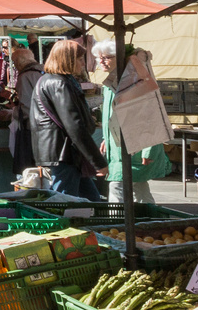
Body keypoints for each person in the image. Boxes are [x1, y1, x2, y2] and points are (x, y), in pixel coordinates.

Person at [91, 39, 169, 204]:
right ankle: (151, 220)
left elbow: (150, 114)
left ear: (120, 58)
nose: (101, 61)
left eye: (106, 57)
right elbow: (112, 117)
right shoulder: (110, 83)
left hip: (135, 147)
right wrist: (107, 137)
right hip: (120, 147)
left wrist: (149, 149)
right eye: (98, 58)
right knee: (139, 188)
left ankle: (117, 225)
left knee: (117, 186)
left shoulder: (133, 82)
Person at [31, 39, 106, 201]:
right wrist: (98, 161)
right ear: (68, 60)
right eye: (80, 59)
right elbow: (74, 126)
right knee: (65, 204)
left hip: (64, 154)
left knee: (91, 201)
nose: (83, 64)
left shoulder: (54, 81)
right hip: (63, 154)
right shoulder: (59, 83)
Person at [8, 44, 42, 172]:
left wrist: (13, 113)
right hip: (48, 127)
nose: (14, 65)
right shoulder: (44, 71)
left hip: (33, 130)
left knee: (30, 170)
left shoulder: (25, 76)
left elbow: (26, 107)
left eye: (14, 62)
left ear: (19, 62)